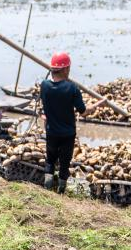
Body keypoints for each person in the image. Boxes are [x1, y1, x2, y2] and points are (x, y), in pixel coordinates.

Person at [39, 52, 104, 193]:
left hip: (51, 131)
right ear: (65, 69)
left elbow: (47, 105)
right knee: (64, 164)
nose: (69, 71)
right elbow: (84, 112)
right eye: (68, 68)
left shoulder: (44, 86)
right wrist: (95, 106)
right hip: (67, 134)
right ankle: (61, 191)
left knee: (50, 160)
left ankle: (47, 188)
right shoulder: (72, 88)